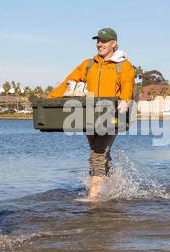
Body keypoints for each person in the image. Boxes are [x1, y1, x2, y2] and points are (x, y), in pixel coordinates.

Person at [47, 27, 135, 200]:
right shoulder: (88, 64)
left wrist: (125, 99)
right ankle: (112, 189)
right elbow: (69, 82)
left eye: (103, 41)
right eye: (98, 41)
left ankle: (93, 197)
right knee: (101, 152)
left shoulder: (123, 65)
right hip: (89, 116)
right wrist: (51, 97)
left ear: (113, 43)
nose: (99, 44)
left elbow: (127, 83)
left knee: (97, 153)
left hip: (111, 116)